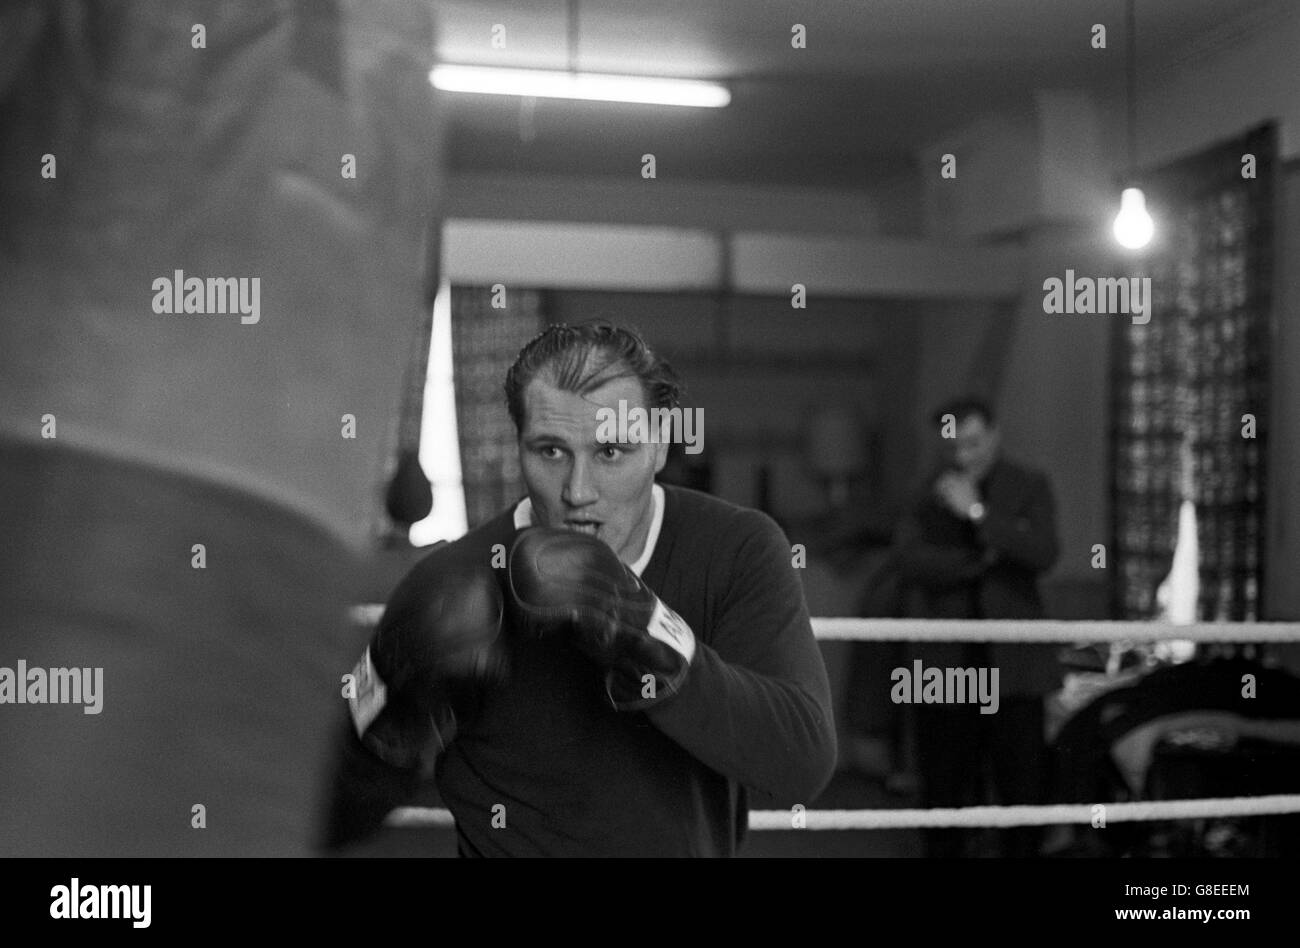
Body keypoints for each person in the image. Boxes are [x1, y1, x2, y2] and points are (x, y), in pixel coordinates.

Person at [325, 322, 836, 856]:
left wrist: (655, 638)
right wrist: (391, 725)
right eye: (550, 452)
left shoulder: (736, 549)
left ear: (659, 446)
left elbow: (802, 763)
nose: (578, 491)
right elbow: (325, 816)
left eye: (610, 452)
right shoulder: (456, 578)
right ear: (518, 446)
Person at [893, 396, 1060, 857]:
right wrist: (980, 561)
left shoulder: (1028, 484)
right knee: (943, 794)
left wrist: (979, 515)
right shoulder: (923, 493)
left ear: (994, 434)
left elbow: (1043, 553)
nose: (964, 455)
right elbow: (908, 562)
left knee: (1022, 794)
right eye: (954, 445)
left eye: (973, 442)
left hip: (1016, 668)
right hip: (944, 667)